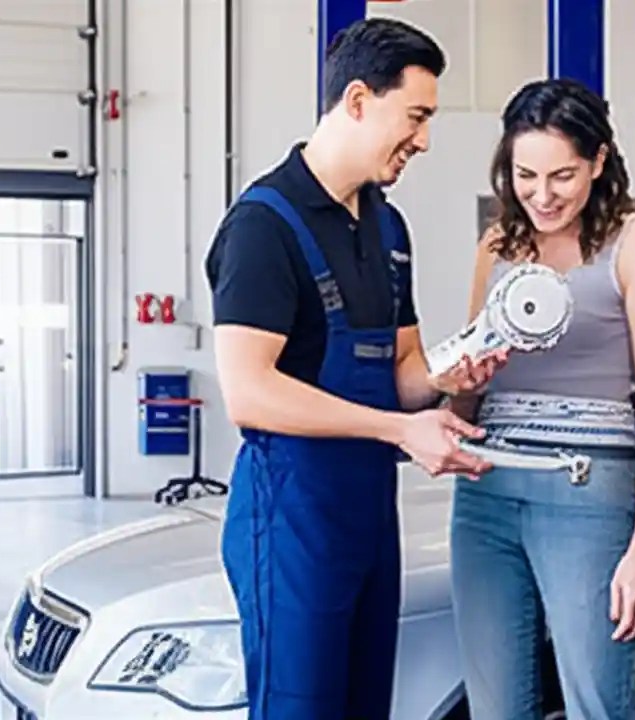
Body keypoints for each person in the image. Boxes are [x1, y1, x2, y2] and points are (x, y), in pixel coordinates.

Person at [204, 17, 506, 720]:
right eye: (417, 117)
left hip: (369, 516)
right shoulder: (263, 227)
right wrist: (399, 432)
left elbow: (403, 371)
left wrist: (450, 378)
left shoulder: (387, 226)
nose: (424, 141)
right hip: (292, 518)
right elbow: (249, 392)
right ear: (360, 100)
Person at [446, 77, 635, 719]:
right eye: (525, 175)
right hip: (485, 493)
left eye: (562, 176)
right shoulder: (498, 245)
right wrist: (457, 388)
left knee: (597, 705)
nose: (542, 195)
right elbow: (468, 395)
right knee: (495, 709)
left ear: (598, 161)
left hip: (586, 496)